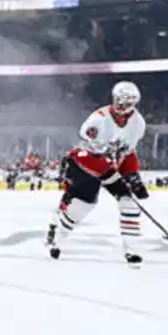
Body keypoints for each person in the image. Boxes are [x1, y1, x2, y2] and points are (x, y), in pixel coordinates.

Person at [44, 81, 149, 267]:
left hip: (108, 165)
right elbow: (89, 154)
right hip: (83, 162)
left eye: (128, 104)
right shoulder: (98, 120)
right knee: (84, 205)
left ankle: (132, 251)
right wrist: (113, 178)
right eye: (120, 102)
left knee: (129, 203)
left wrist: (132, 176)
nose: (122, 108)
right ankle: (57, 237)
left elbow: (127, 152)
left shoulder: (138, 123)